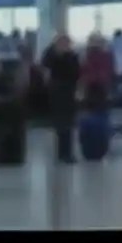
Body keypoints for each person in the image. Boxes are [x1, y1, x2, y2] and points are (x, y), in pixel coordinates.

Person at [40, 34, 81, 163]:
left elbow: (76, 72)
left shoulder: (72, 55)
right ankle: (61, 153)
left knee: (68, 124)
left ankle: (67, 153)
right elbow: (46, 68)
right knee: (60, 124)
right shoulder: (51, 54)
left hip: (68, 91)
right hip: (57, 91)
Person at [81, 33, 115, 113]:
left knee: (100, 109)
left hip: (101, 86)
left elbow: (110, 71)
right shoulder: (86, 55)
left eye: (98, 42)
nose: (95, 44)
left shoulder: (107, 55)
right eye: (94, 41)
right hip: (91, 86)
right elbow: (83, 71)